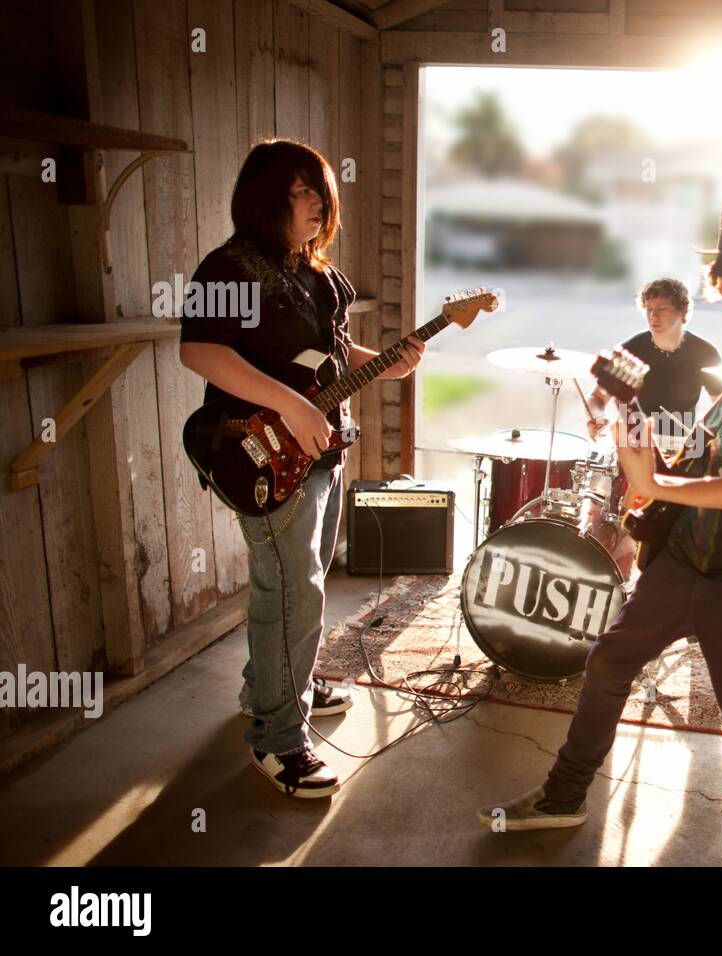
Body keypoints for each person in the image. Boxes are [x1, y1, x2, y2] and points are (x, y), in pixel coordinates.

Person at [478, 201, 722, 866]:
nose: (720, 288)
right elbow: (707, 458)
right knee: (611, 660)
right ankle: (564, 796)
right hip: (686, 557)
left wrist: (660, 485)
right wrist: (635, 433)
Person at [178, 139, 425, 798]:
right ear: (265, 196)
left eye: (321, 192)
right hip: (259, 452)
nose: (319, 203)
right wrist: (288, 404)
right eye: (302, 192)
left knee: (296, 586)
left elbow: (324, 354)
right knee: (294, 594)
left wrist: (387, 358)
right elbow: (201, 352)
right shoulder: (227, 269)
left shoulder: (313, 270)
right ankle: (278, 739)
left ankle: (279, 687)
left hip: (320, 452)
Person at [584, 277, 722, 455]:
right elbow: (597, 397)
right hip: (634, 444)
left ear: (682, 310)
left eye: (661, 309)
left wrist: (707, 440)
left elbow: (721, 409)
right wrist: (597, 417)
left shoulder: (706, 353)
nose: (653, 316)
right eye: (649, 309)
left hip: (683, 449)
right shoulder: (631, 350)